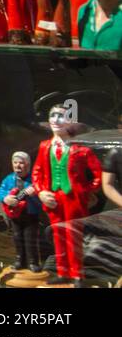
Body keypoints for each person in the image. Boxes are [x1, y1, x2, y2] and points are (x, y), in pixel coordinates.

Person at [31, 104, 102, 286]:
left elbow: (98, 174)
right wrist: (41, 192)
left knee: (74, 237)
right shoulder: (45, 146)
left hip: (74, 199)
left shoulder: (82, 149)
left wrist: (87, 191)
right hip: (53, 199)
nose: (55, 119)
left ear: (70, 122)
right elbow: (37, 173)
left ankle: (77, 274)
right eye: (52, 115)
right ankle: (63, 272)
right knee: (58, 235)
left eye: (61, 116)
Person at [0, 151, 45, 272]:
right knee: (17, 237)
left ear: (28, 165)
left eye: (21, 163)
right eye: (15, 163)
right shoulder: (9, 179)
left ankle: (32, 262)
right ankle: (20, 260)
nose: (18, 166)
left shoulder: (35, 180)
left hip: (30, 214)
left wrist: (34, 195)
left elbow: (41, 199)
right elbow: (0, 190)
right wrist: (6, 198)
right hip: (14, 215)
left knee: (30, 238)